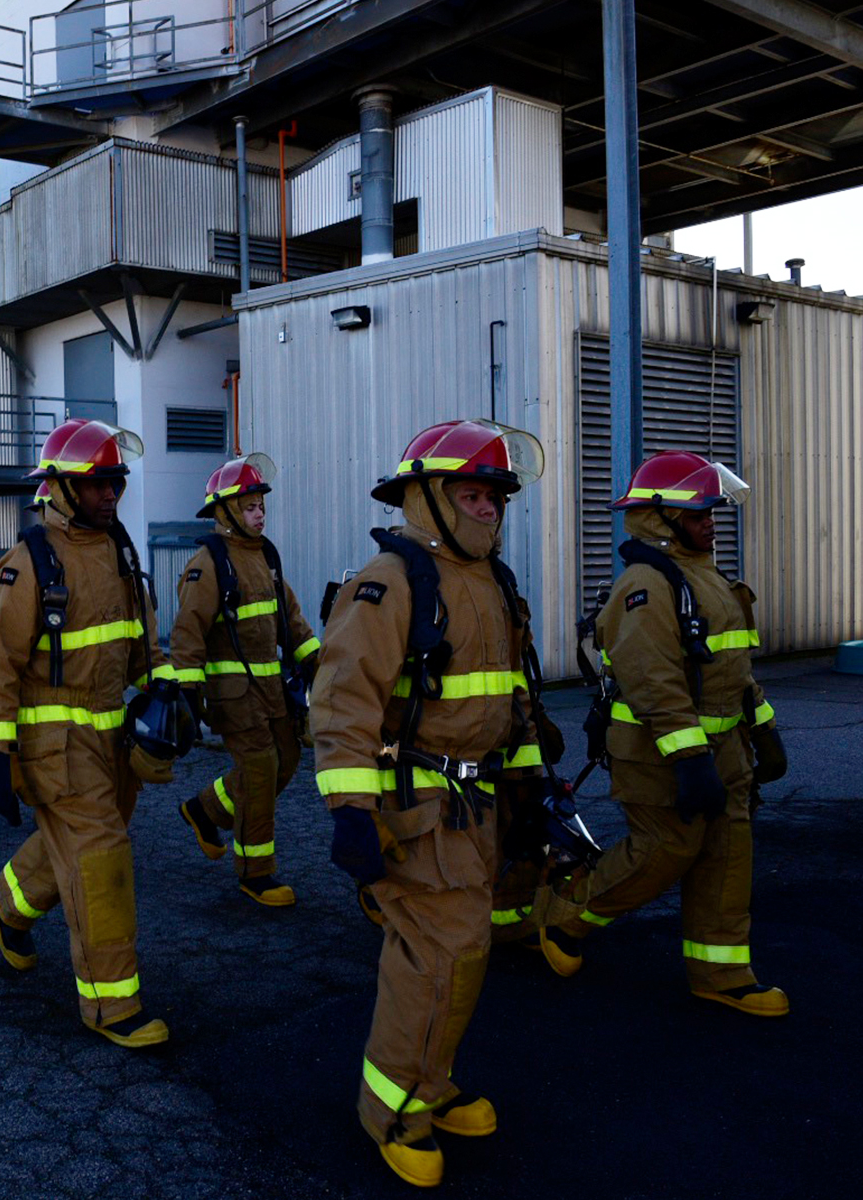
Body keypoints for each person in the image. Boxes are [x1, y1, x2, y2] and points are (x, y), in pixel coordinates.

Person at [310, 419, 548, 1189]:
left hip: (476, 807)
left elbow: (514, 699)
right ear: (428, 497)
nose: (489, 508)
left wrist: (529, 787)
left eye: (495, 497)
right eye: (472, 494)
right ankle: (395, 1109)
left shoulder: (493, 582)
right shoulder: (390, 581)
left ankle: (430, 1081)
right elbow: (343, 703)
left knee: (464, 950)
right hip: (417, 808)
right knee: (434, 956)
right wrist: (351, 812)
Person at [535, 451, 788, 1017]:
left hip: (725, 752)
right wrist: (691, 759)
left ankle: (723, 975)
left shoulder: (705, 577)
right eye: (698, 513)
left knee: (727, 856)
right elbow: (654, 682)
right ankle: (567, 915)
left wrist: (764, 730)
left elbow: (732, 671)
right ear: (660, 519)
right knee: (664, 850)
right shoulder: (646, 585)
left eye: (712, 511)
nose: (711, 521)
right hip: (660, 755)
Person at [0, 418, 175, 1049]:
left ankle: (6, 904)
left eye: (115, 482)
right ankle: (112, 1004)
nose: (109, 494)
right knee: (99, 853)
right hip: (55, 745)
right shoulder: (28, 564)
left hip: (112, 739)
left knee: (73, 840)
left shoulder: (120, 553)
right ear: (61, 489)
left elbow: (141, 642)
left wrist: (166, 688)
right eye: (95, 484)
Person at [170, 453, 322, 906]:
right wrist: (188, 691)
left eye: (261, 506)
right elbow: (188, 631)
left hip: (272, 691)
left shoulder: (265, 556)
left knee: (287, 760)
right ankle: (256, 872)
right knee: (259, 770)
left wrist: (317, 663)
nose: (259, 514)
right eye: (250, 507)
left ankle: (205, 809)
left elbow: (290, 620)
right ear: (226, 511)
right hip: (233, 695)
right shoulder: (208, 563)